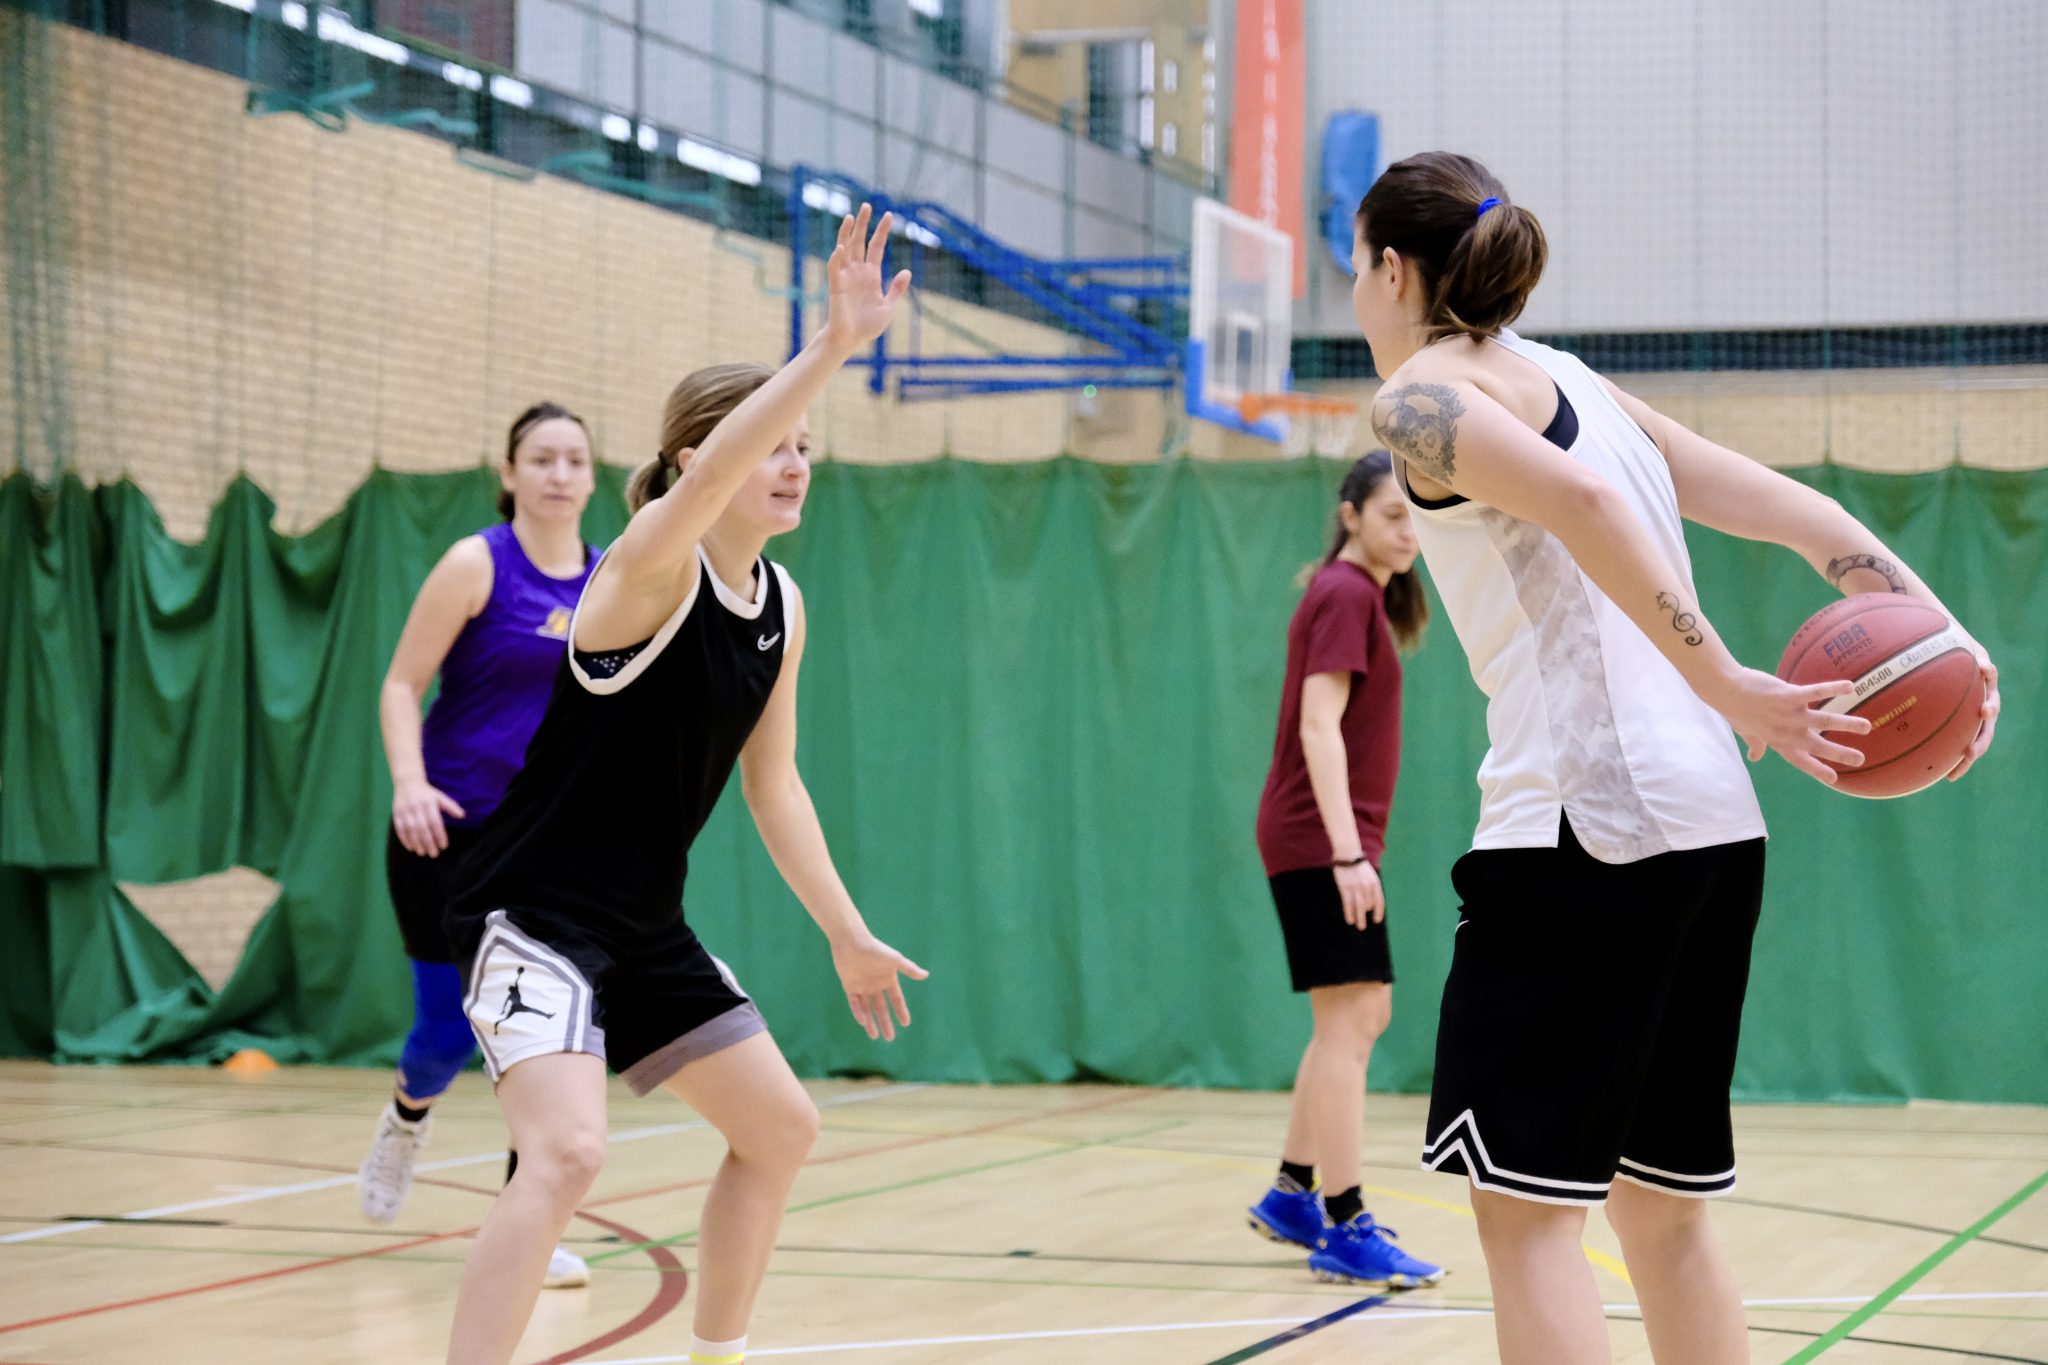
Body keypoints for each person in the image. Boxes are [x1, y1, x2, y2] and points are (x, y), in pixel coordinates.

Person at [1349, 151, 2001, 1365]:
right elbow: (1765, 496)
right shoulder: (1569, 377)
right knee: (1659, 1209)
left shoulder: (1414, 404)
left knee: (1526, 1220)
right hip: (1708, 830)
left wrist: (1727, 683)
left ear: (1389, 268)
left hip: (1581, 833)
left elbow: (1585, 511)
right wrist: (1940, 628)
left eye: (1352, 265)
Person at [440, 205, 927, 1365]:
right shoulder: (642, 572)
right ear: (695, 467)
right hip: (533, 916)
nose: (796, 463)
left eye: (809, 444)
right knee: (563, 1154)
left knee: (781, 1130)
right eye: (777, 443)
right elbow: (706, 474)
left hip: (642, 923)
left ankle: (716, 1354)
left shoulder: (783, 608)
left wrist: (846, 933)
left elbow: (776, 790)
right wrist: (828, 349)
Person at [361, 401, 599, 1290]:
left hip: (544, 849)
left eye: (575, 458)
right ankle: (405, 1117)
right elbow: (399, 682)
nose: (559, 473)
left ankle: (527, 1225)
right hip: (446, 834)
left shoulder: (610, 579)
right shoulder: (476, 564)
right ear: (510, 474)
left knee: (540, 1039)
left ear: (591, 475)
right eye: (541, 457)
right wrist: (410, 781)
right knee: (444, 1036)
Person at [1245, 451, 1444, 1289]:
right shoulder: (1343, 592)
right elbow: (1319, 728)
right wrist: (1347, 852)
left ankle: (1293, 1191)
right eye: (1394, 513)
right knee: (1356, 1020)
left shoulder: (1356, 594)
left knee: (1352, 1018)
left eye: (1417, 518)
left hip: (1322, 837)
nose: (1410, 531)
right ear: (1351, 512)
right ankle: (1345, 1221)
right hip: (1319, 838)